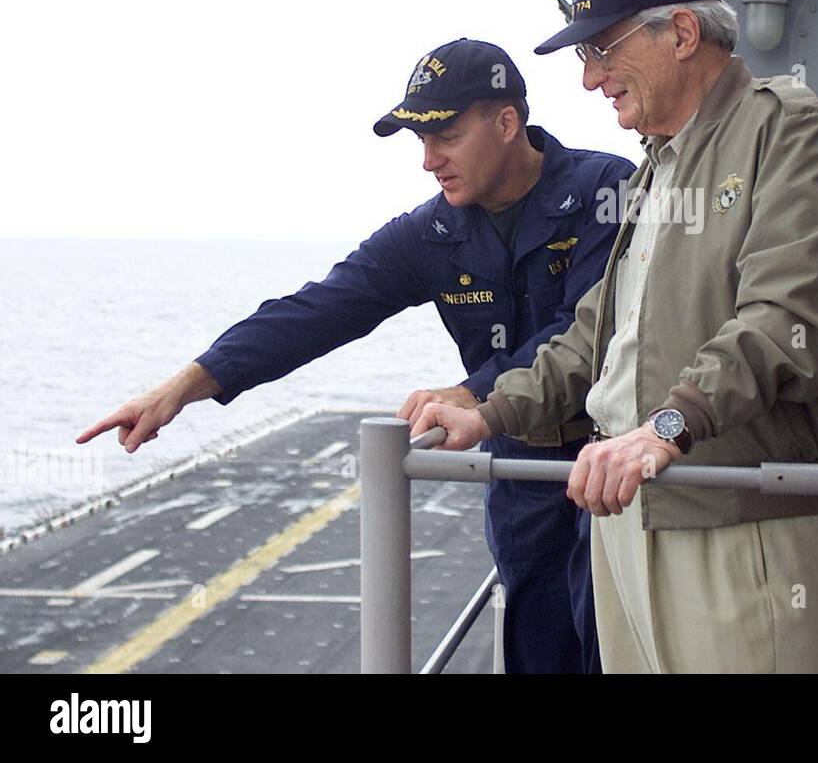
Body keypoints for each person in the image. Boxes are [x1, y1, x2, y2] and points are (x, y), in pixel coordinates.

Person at [77, 38, 634, 675]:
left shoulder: (605, 190)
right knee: (542, 656)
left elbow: (589, 330)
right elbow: (319, 310)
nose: (428, 161)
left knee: (627, 649)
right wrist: (184, 386)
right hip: (523, 478)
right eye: (420, 142)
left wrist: (473, 393)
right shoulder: (432, 233)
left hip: (611, 463)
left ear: (506, 124)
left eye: (445, 136)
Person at [415, 0, 818, 673]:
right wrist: (492, 410)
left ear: (683, 34)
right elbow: (602, 328)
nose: (592, 79)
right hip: (638, 509)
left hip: (734, 518)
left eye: (603, 50)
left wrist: (667, 427)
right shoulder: (660, 160)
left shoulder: (783, 129)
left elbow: (789, 321)